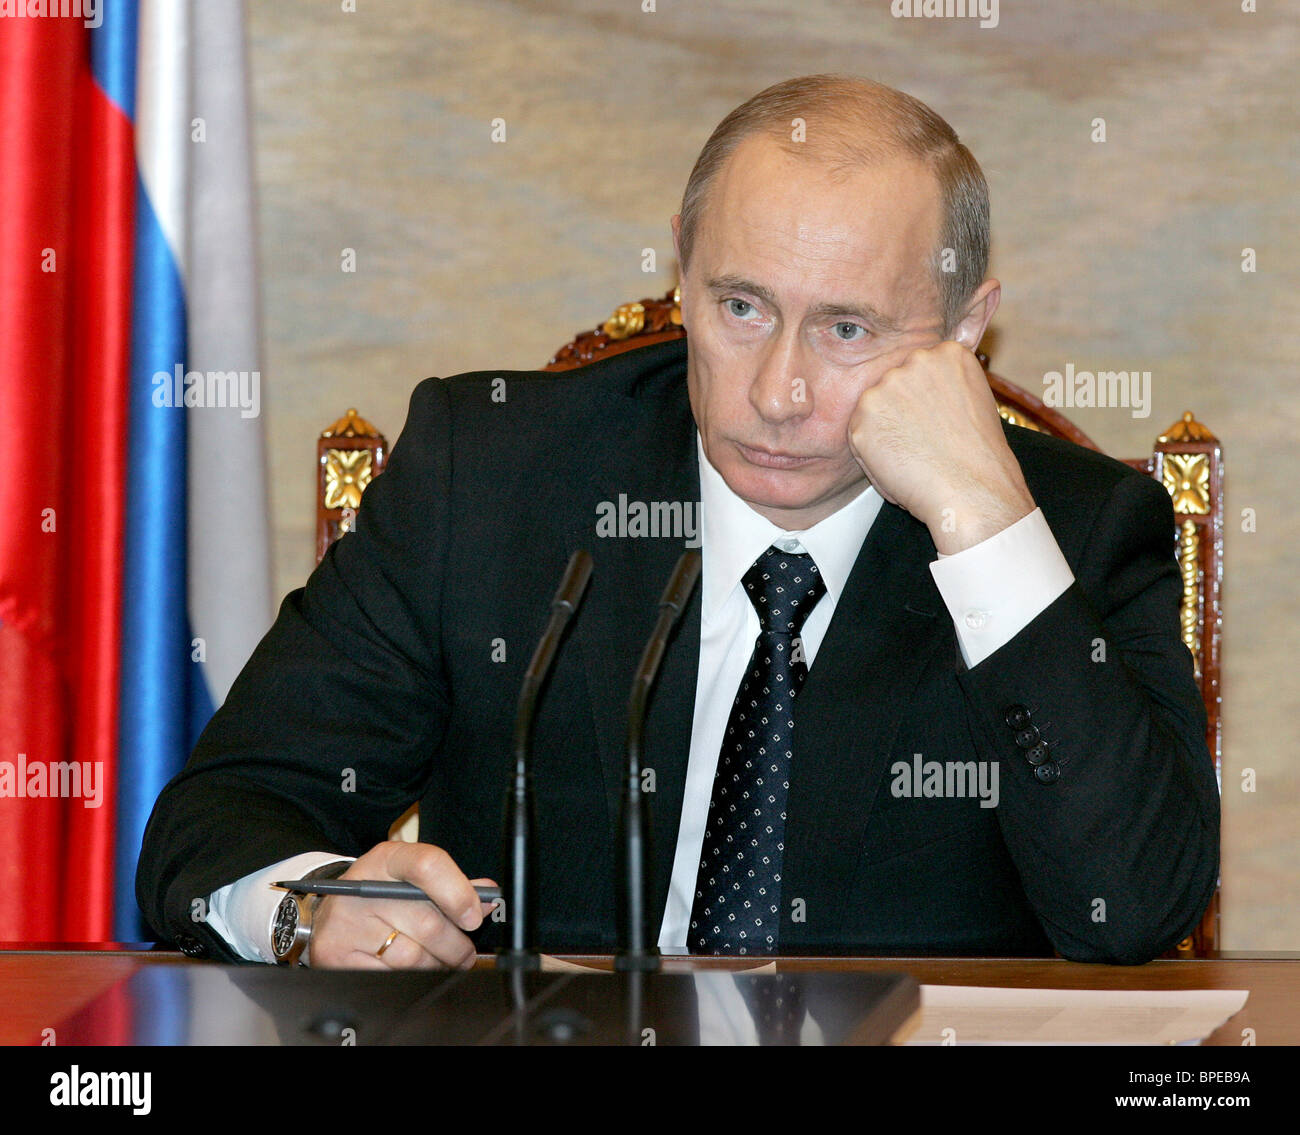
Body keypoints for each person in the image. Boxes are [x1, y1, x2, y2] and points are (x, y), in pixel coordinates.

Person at [136, 73, 1219, 969]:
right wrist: (311, 905)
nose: (778, 391)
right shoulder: (493, 472)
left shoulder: (1070, 534)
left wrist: (982, 518)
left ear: (966, 328)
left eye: (848, 329)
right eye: (740, 307)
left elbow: (1131, 908)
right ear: (681, 268)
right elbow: (222, 818)